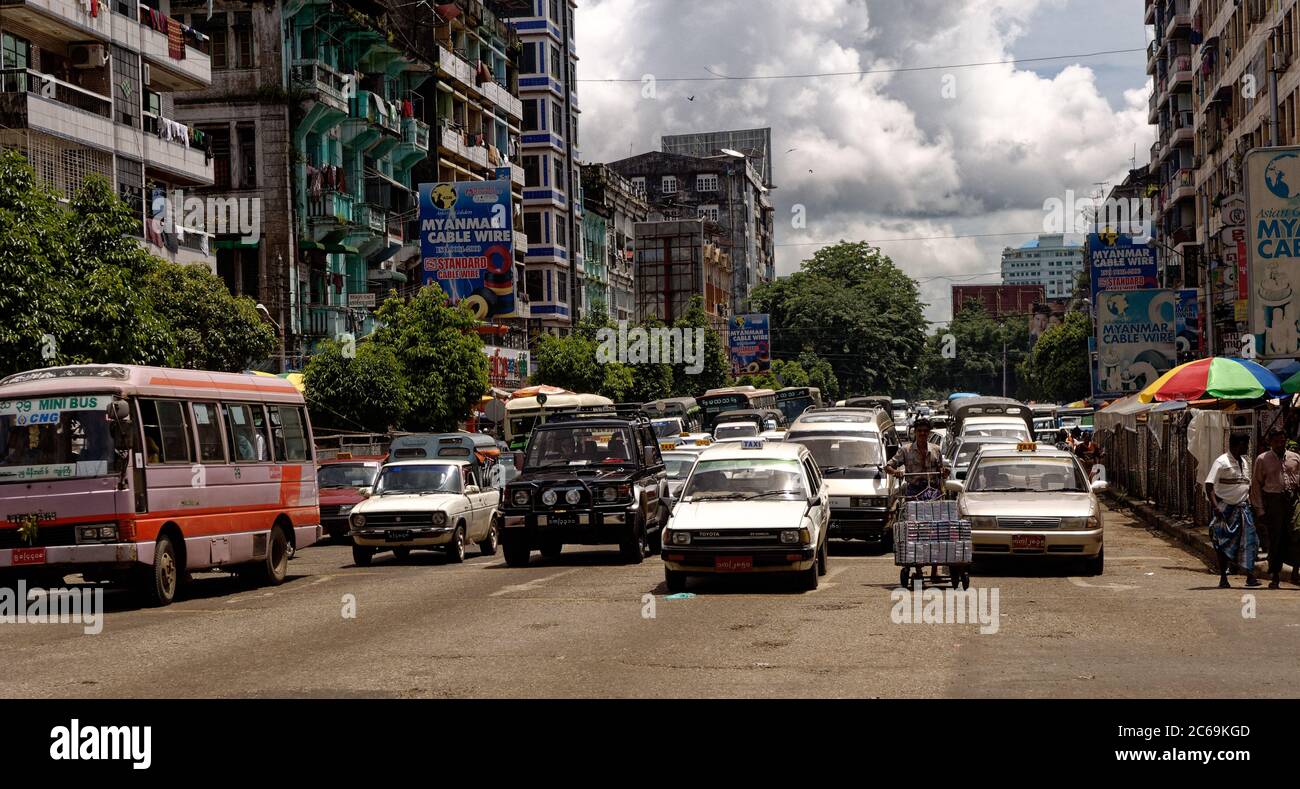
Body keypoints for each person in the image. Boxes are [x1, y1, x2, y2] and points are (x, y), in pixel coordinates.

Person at [886, 418, 948, 583]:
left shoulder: (936, 450)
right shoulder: (905, 450)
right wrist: (896, 472)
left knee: (936, 530)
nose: (922, 434)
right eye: (919, 431)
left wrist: (944, 472)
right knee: (917, 530)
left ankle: (935, 570)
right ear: (915, 432)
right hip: (914, 493)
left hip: (933, 494)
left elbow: (941, 469)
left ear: (929, 433)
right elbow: (888, 466)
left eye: (925, 431)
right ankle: (919, 568)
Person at [1206, 433, 1259, 588]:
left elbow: (1246, 486)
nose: (1246, 447)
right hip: (1225, 509)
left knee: (1249, 542)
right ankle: (1223, 577)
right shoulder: (1221, 462)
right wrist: (1215, 506)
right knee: (1223, 542)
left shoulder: (1245, 462)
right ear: (1237, 444)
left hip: (1243, 509)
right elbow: (1209, 485)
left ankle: (1250, 576)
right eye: (1245, 444)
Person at [1250, 427, 1300, 589]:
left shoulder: (1295, 458)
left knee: (1296, 534)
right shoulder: (1262, 459)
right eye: (1277, 441)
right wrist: (1260, 510)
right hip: (1273, 502)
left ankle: (1295, 571)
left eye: (1282, 441)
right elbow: (1256, 486)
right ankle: (1276, 575)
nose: (1280, 444)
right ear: (1270, 442)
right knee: (1276, 539)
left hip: (1293, 500)